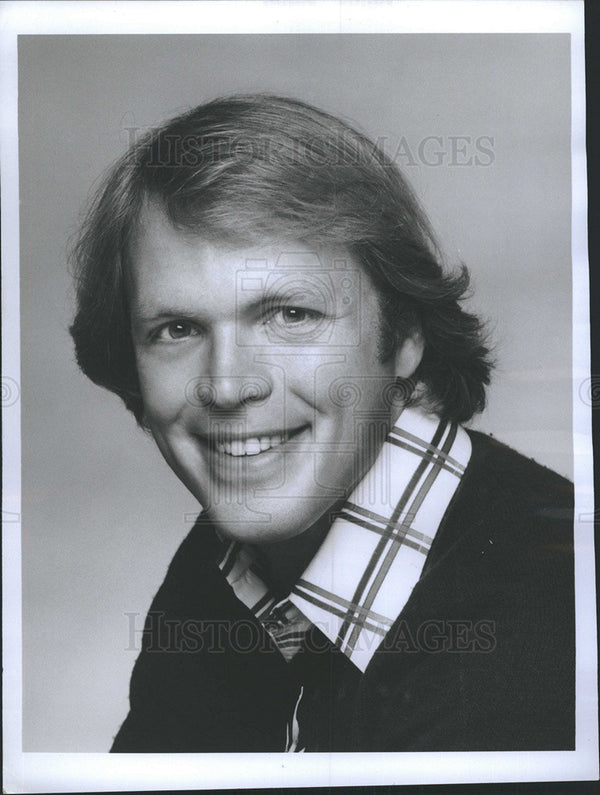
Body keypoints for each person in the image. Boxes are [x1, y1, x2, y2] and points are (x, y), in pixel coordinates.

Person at [69, 94, 574, 752]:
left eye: (290, 314)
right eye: (178, 327)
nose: (228, 382)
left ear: (406, 334)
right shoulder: (218, 572)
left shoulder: (549, 613)